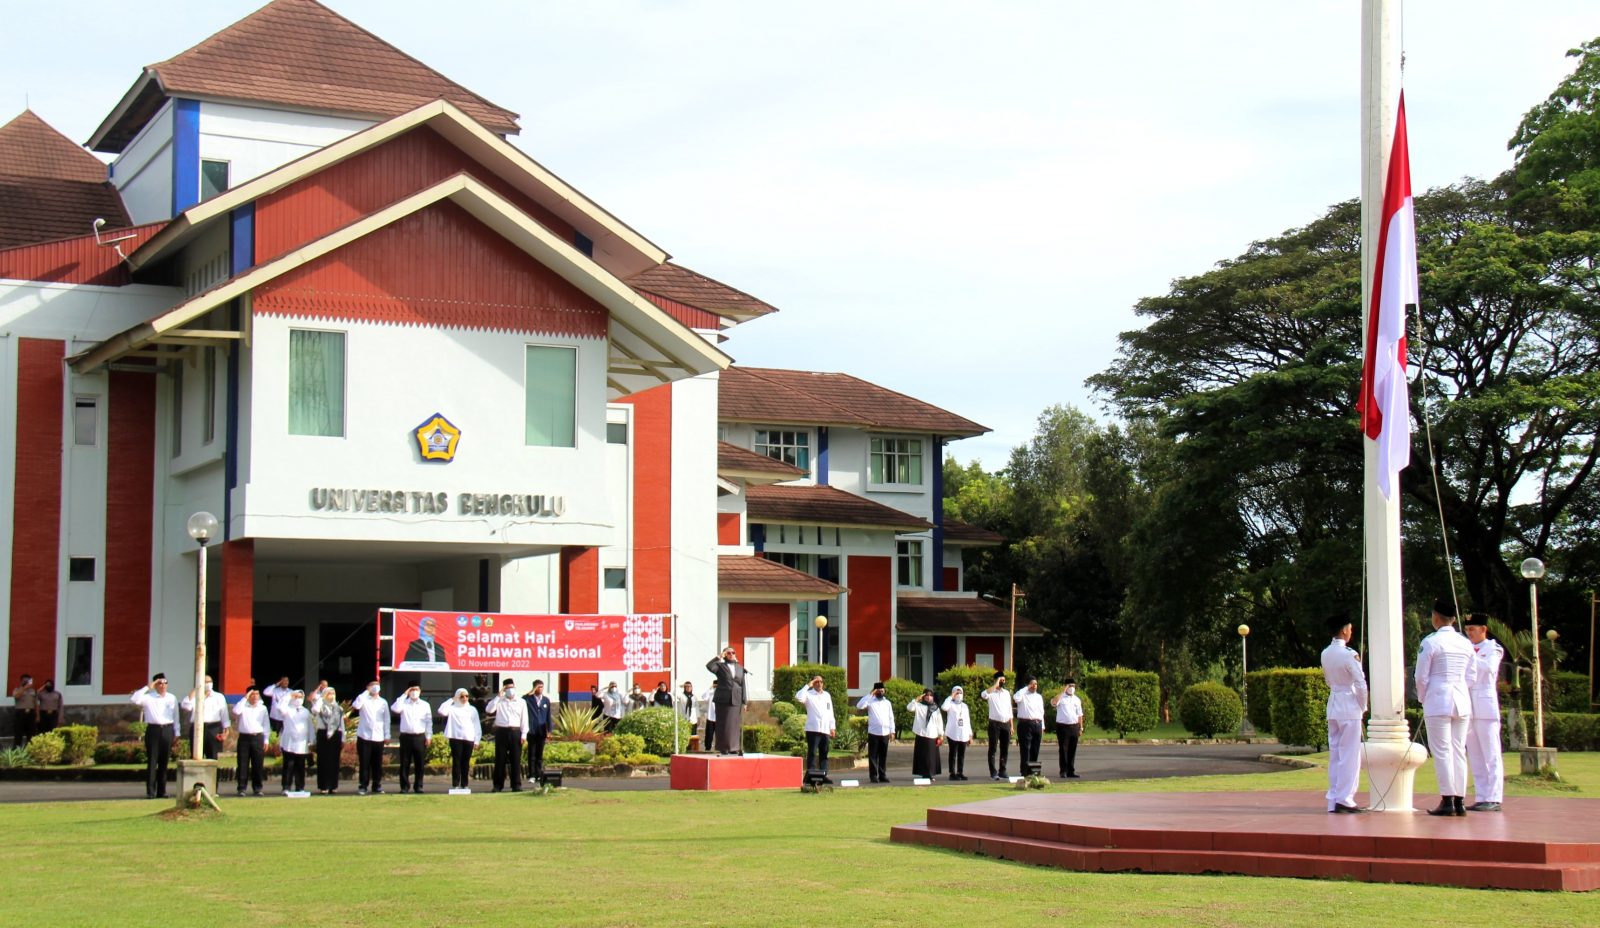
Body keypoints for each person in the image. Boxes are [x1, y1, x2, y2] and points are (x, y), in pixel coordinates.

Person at [1417, 598, 1475, 817]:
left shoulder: (1431, 641)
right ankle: (1460, 800)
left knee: (1442, 751)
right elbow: (1471, 675)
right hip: (1461, 698)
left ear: (1436, 617)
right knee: (1458, 750)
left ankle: (1448, 799)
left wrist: (1423, 698)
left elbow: (1421, 676)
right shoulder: (1465, 642)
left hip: (1438, 698)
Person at [1322, 616, 1368, 813]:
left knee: (1336, 754)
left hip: (1334, 703)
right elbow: (1360, 683)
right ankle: (1345, 798)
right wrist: (1362, 706)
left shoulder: (1325, 652)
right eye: (1349, 628)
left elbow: (1328, 681)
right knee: (1350, 754)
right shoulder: (1349, 654)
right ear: (1343, 630)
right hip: (1349, 704)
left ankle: (1334, 797)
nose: (1351, 631)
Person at [1463, 612, 1505, 812]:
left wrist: (1469, 655)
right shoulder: (1466, 648)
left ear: (1483, 629)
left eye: (1472, 629)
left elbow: (1489, 667)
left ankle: (1494, 797)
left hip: (1486, 706)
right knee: (1475, 754)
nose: (1469, 633)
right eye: (1467, 629)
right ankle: (1481, 796)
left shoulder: (1493, 648)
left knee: (1491, 753)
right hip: (1468, 705)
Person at [130, 673, 180, 799]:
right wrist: (148, 687)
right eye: (159, 683)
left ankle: (162, 791)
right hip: (153, 730)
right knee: (152, 761)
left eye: (164, 683)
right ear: (155, 685)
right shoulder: (148, 697)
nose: (162, 685)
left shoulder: (172, 698)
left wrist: (177, 733)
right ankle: (151, 791)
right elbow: (134, 699)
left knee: (164, 762)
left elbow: (176, 717)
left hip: (167, 729)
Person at [484, 678, 529, 792]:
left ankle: (516, 785)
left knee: (515, 759)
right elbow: (489, 710)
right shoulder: (500, 700)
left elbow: (524, 719)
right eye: (507, 688)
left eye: (512, 687)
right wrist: (498, 697)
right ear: (504, 689)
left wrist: (524, 734)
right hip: (502, 731)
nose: (510, 690)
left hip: (515, 731)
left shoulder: (521, 701)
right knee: (500, 759)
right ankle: (498, 785)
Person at [391, 682, 433, 793]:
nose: (414, 692)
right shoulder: (403, 703)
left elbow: (428, 721)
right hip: (406, 736)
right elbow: (395, 708)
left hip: (419, 737)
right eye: (412, 690)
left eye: (416, 690)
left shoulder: (425, 705)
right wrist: (404, 695)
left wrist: (429, 736)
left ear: (420, 691)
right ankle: (404, 786)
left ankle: (418, 786)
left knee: (420, 763)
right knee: (405, 763)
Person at [706, 647, 749, 754]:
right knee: (723, 724)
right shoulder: (720, 666)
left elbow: (743, 685)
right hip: (723, 699)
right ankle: (724, 748)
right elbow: (709, 666)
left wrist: (744, 702)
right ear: (725, 654)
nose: (731, 654)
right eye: (728, 653)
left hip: (736, 698)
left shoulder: (740, 668)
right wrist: (719, 657)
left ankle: (733, 747)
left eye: (733, 652)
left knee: (734, 724)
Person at [352, 681, 391, 795]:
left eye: (376, 686)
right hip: (364, 736)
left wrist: (387, 735)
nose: (375, 688)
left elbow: (386, 719)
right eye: (372, 686)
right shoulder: (364, 700)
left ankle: (376, 785)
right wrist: (366, 692)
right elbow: (356, 705)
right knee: (364, 763)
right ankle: (363, 786)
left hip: (378, 737)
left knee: (377, 763)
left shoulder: (383, 702)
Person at [440, 688, 482, 790]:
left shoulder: (472, 709)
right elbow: (441, 711)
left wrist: (477, 740)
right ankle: (455, 784)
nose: (464, 698)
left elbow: (477, 725)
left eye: (466, 696)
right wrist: (452, 699)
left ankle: (465, 784)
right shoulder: (452, 708)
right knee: (457, 761)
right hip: (455, 738)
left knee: (465, 762)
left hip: (468, 738)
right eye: (462, 696)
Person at [795, 675, 836, 782]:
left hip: (825, 729)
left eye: (821, 681)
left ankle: (823, 775)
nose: (819, 684)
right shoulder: (808, 694)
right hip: (813, 728)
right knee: (812, 753)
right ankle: (811, 776)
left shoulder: (827, 695)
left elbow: (830, 711)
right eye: (816, 682)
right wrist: (807, 685)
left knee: (824, 753)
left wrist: (832, 727)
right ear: (813, 683)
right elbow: (798, 697)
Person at [180, 675, 230, 760]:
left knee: (212, 755)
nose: (208, 684)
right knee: (196, 755)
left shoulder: (219, 696)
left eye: (209, 681)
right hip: (197, 727)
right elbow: (186, 706)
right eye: (205, 682)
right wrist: (196, 689)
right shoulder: (195, 696)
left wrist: (226, 729)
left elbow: (224, 713)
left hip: (213, 728)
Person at [232, 687, 270, 796]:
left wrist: (266, 739)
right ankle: (241, 788)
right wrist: (245, 698)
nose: (255, 697)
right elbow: (236, 711)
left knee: (258, 764)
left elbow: (266, 724)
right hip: (244, 738)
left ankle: (257, 788)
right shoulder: (243, 706)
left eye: (257, 694)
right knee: (242, 763)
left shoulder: (262, 708)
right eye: (252, 694)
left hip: (257, 737)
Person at [856, 682, 896, 783]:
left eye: (882, 690)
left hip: (885, 732)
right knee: (873, 755)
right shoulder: (870, 701)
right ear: (874, 691)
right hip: (874, 732)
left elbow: (891, 717)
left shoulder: (887, 703)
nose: (880, 692)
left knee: (883, 755)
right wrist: (870, 695)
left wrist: (892, 731)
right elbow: (860, 706)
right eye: (878, 690)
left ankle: (882, 775)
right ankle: (873, 776)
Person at [310, 687, 344, 794]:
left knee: (334, 761)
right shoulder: (320, 706)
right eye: (329, 693)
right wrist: (321, 699)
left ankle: (333, 786)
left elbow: (341, 724)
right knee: (323, 761)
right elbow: (314, 710)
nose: (331, 695)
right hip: (323, 734)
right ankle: (323, 786)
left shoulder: (338, 708)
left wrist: (343, 738)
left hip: (335, 734)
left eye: (333, 693)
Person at [278, 690, 312, 794]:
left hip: (302, 742)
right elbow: (280, 707)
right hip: (289, 742)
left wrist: (312, 740)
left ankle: (300, 787)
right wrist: (289, 696)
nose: (298, 699)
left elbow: (310, 726)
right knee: (288, 765)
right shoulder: (287, 709)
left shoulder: (305, 711)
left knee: (300, 766)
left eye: (300, 697)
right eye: (296, 697)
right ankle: (286, 787)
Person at [981, 674, 1014, 780]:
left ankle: (1002, 770)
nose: (1002, 682)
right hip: (994, 724)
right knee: (993, 748)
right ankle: (993, 772)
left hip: (1006, 723)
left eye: (1003, 680)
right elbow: (983, 695)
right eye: (1000, 680)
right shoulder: (991, 692)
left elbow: (1009, 709)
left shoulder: (1006, 693)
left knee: (1005, 748)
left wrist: (1011, 725)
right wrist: (996, 684)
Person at [1051, 679, 1085, 779]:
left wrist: (1081, 727)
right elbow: (1054, 703)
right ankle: (1063, 771)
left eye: (1073, 686)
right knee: (1063, 749)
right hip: (1063, 727)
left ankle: (1071, 771)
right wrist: (1063, 691)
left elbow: (1079, 715)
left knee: (1072, 749)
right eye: (1070, 686)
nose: (1072, 688)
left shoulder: (1077, 699)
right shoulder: (1061, 698)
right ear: (1066, 686)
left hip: (1074, 726)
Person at [907, 689, 943, 778]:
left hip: (932, 734)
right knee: (922, 755)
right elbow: (909, 708)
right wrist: (916, 700)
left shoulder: (936, 708)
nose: (929, 697)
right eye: (927, 695)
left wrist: (941, 735)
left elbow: (939, 722)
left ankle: (930, 774)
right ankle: (923, 773)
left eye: (931, 695)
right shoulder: (919, 705)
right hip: (921, 733)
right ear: (923, 696)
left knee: (930, 756)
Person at [1013, 677, 1045, 775]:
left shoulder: (1039, 697)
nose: (1034, 686)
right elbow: (1016, 697)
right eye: (1032, 684)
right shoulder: (1022, 695)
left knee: (1035, 749)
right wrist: (1026, 688)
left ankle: (1033, 771)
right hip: (1025, 724)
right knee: (1025, 749)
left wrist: (1042, 726)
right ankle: (1024, 771)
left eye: (1036, 684)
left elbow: (1041, 712)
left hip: (1037, 724)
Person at [524, 680, 554, 783]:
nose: (540, 689)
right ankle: (531, 775)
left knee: (539, 754)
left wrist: (549, 730)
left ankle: (538, 774)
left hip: (541, 731)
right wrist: (532, 691)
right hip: (532, 730)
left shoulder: (545, 700)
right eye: (538, 687)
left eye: (541, 687)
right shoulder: (529, 699)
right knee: (532, 754)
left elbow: (548, 716)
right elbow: (523, 698)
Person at [942, 686, 972, 780]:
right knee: (953, 753)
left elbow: (967, 721)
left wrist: (970, 734)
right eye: (956, 693)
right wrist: (951, 696)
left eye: (960, 693)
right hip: (952, 733)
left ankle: (960, 772)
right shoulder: (950, 704)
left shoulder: (965, 706)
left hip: (963, 733)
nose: (959, 695)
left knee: (961, 754)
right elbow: (944, 707)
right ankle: (952, 773)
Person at [11, 674, 37, 749]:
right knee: (18, 732)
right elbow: (17, 696)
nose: (26, 682)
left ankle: (30, 749)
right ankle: (17, 749)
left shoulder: (33, 691)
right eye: (24, 681)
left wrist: (37, 715)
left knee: (31, 733)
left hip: (31, 713)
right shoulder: (17, 689)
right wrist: (24, 688)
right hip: (20, 713)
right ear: (21, 681)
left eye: (27, 681)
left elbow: (36, 703)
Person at [701, 681, 719, 752]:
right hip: (710, 717)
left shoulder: (722, 692)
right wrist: (710, 687)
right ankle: (707, 748)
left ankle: (719, 748)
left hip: (719, 718)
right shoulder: (711, 692)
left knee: (719, 735)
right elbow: (704, 697)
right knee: (709, 735)